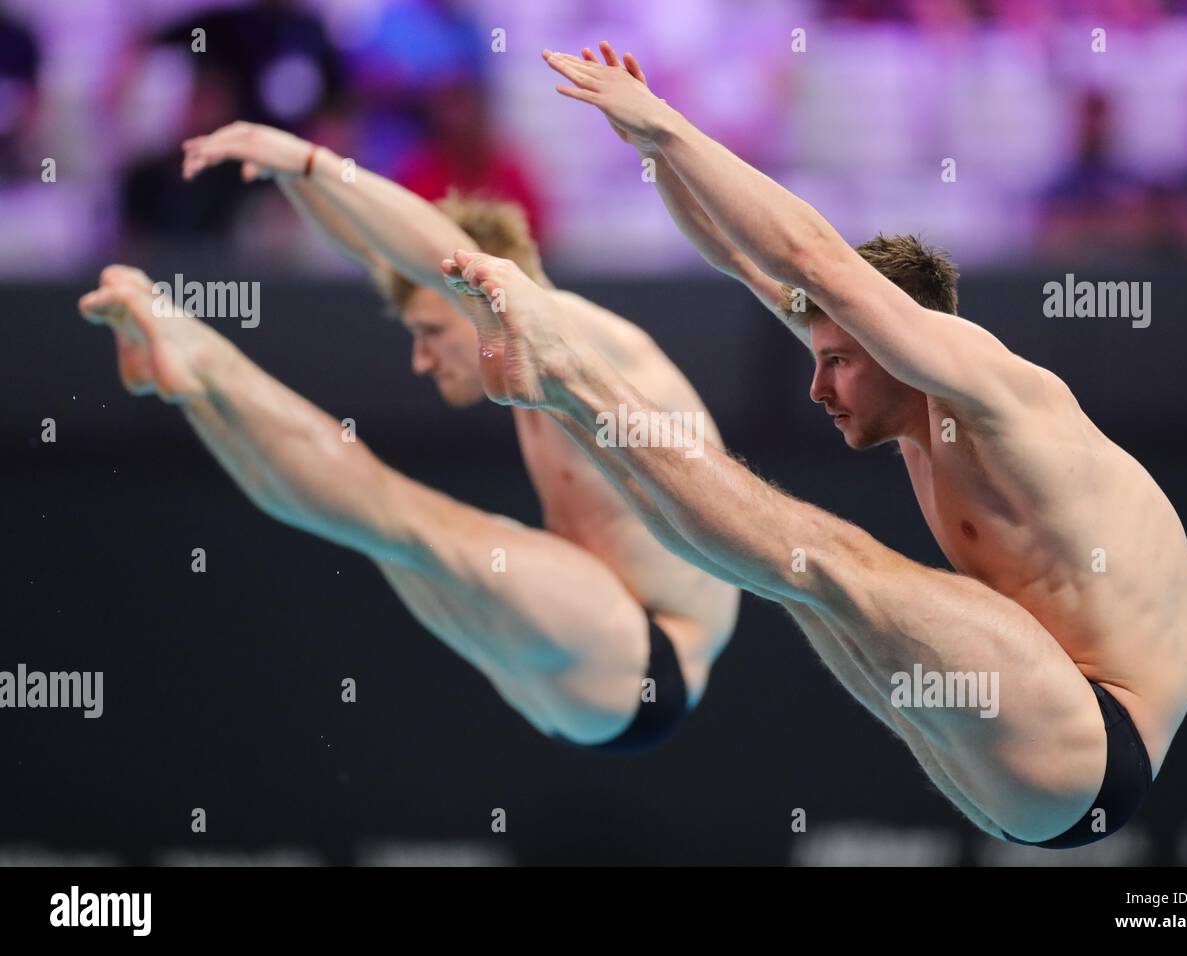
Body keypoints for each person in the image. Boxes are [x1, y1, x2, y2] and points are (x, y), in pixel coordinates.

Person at [456, 42, 1187, 846]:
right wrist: (649, 150)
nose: (819, 389)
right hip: (1023, 756)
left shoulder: (997, 390)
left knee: (822, 554)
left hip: (1094, 734)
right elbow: (746, 257)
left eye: (840, 362)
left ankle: (564, 376)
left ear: (904, 341)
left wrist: (670, 126)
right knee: (795, 579)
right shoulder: (908, 388)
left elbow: (809, 255)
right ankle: (569, 398)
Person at [78, 123, 740, 753]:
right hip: (571, 660)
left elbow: (438, 255)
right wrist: (295, 180)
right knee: (375, 527)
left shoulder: (581, 336)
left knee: (396, 514)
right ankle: (193, 387)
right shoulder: (526, 348)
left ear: (480, 294)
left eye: (430, 332)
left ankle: (195, 356)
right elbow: (376, 249)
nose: (421, 360)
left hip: (645, 660)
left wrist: (305, 158)